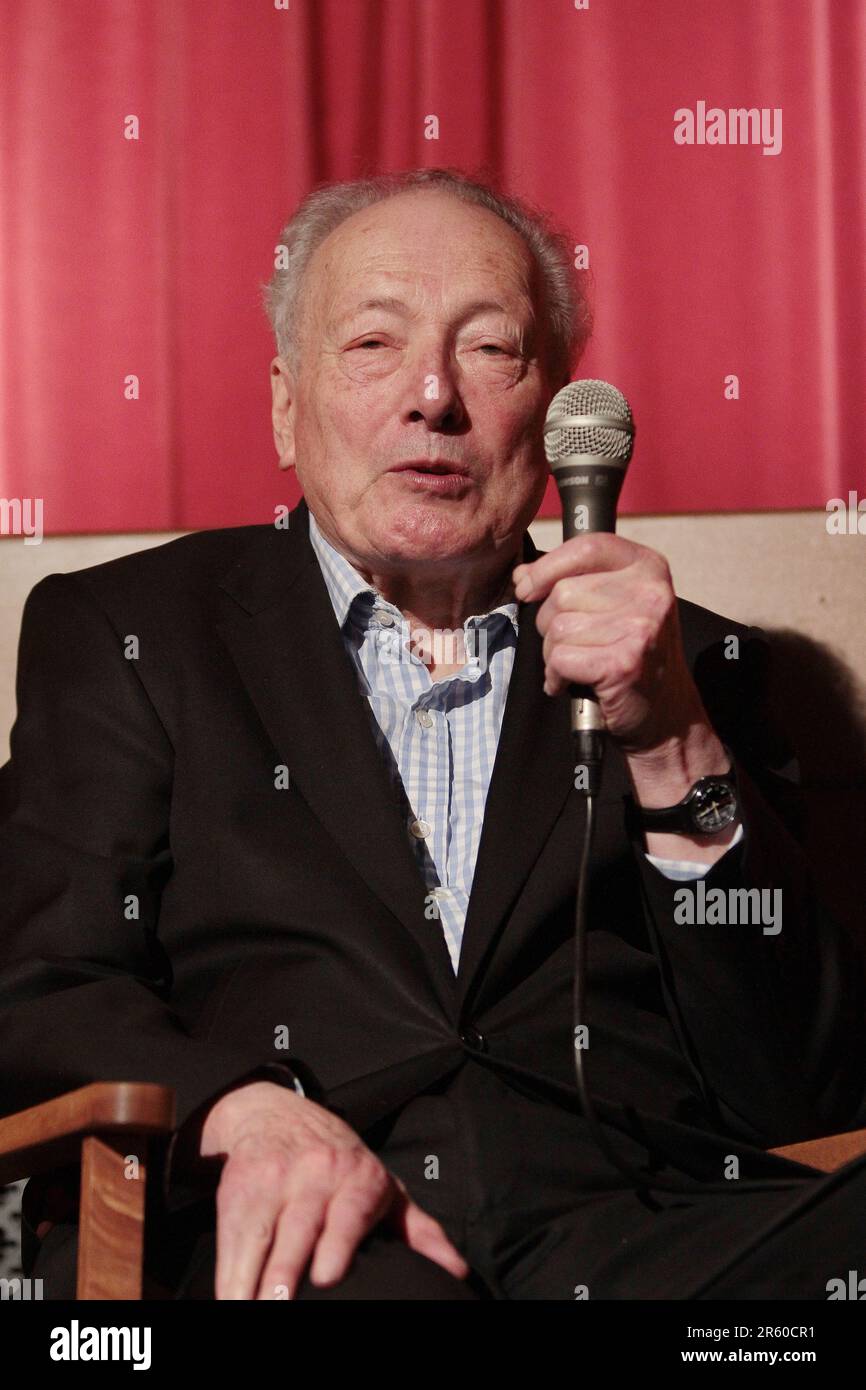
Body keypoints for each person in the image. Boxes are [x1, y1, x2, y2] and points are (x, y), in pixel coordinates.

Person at [2, 168, 866, 1302]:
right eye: (372, 343)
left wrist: (669, 740)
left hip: (633, 1234)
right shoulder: (130, 634)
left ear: (560, 412)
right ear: (282, 402)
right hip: (310, 1232)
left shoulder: (686, 666)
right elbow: (41, 984)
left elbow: (797, 1088)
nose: (431, 397)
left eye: (489, 350)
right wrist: (238, 1108)